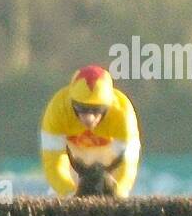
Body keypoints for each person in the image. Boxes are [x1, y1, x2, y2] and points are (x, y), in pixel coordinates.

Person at [40, 65, 141, 197]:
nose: (89, 118)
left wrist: (118, 192)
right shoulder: (57, 109)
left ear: (108, 105)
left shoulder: (123, 113)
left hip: (108, 154)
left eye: (96, 109)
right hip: (72, 155)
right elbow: (54, 163)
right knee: (58, 195)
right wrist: (69, 193)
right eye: (82, 108)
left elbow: (127, 165)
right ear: (72, 102)